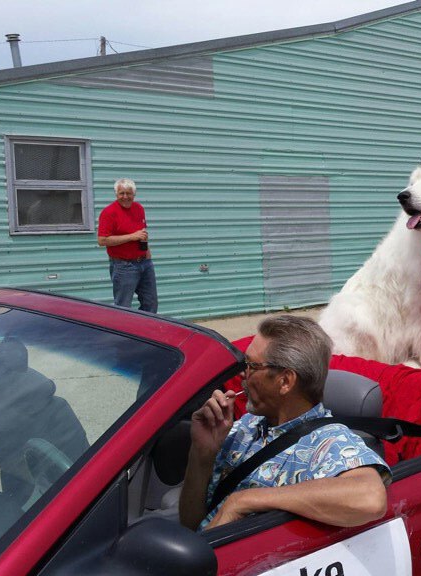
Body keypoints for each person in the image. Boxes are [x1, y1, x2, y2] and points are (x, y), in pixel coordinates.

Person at [179, 316, 389, 531]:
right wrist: (202, 452)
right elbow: (192, 523)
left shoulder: (328, 443)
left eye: (251, 365)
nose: (243, 373)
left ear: (285, 381)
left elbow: (371, 498)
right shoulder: (245, 426)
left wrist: (245, 500)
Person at [97, 178, 158, 313]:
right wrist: (131, 237)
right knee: (123, 306)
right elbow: (102, 240)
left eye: (128, 193)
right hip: (123, 266)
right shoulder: (109, 212)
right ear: (116, 194)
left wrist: (147, 253)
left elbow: (142, 233)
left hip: (144, 263)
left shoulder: (139, 208)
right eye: (121, 193)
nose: (125, 197)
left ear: (134, 194)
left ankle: (144, 326)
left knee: (150, 303)